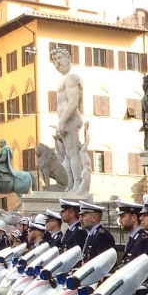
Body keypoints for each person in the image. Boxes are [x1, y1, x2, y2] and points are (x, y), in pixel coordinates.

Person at [50, 46, 87, 195]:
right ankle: (69, 184)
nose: (57, 62)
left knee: (72, 154)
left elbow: (73, 102)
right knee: (65, 155)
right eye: (54, 60)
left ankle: (77, 184)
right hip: (65, 121)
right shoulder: (64, 79)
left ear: (68, 58)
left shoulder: (72, 77)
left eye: (60, 58)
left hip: (69, 120)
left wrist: (62, 122)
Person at [116, 199, 148, 265]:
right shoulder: (134, 237)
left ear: (134, 218)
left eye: (122, 216)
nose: (120, 221)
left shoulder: (143, 240)